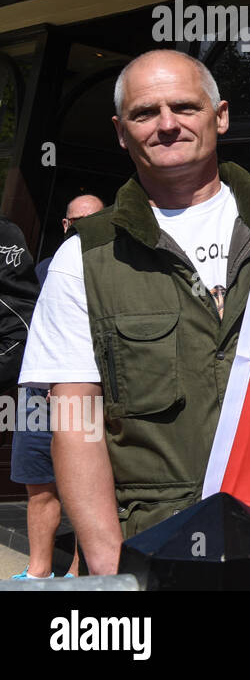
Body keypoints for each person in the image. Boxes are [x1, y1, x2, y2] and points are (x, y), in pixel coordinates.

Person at [16, 49, 250, 575]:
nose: (167, 125)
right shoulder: (86, 257)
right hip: (161, 546)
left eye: (184, 106)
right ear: (121, 132)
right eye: (145, 113)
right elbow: (76, 421)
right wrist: (111, 565)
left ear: (221, 115)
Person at [9, 195, 102, 579]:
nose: (81, 226)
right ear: (64, 225)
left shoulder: (114, 271)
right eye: (74, 220)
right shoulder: (45, 268)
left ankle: (77, 577)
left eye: (91, 220)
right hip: (36, 397)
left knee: (86, 491)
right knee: (38, 484)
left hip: (84, 399)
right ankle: (37, 574)